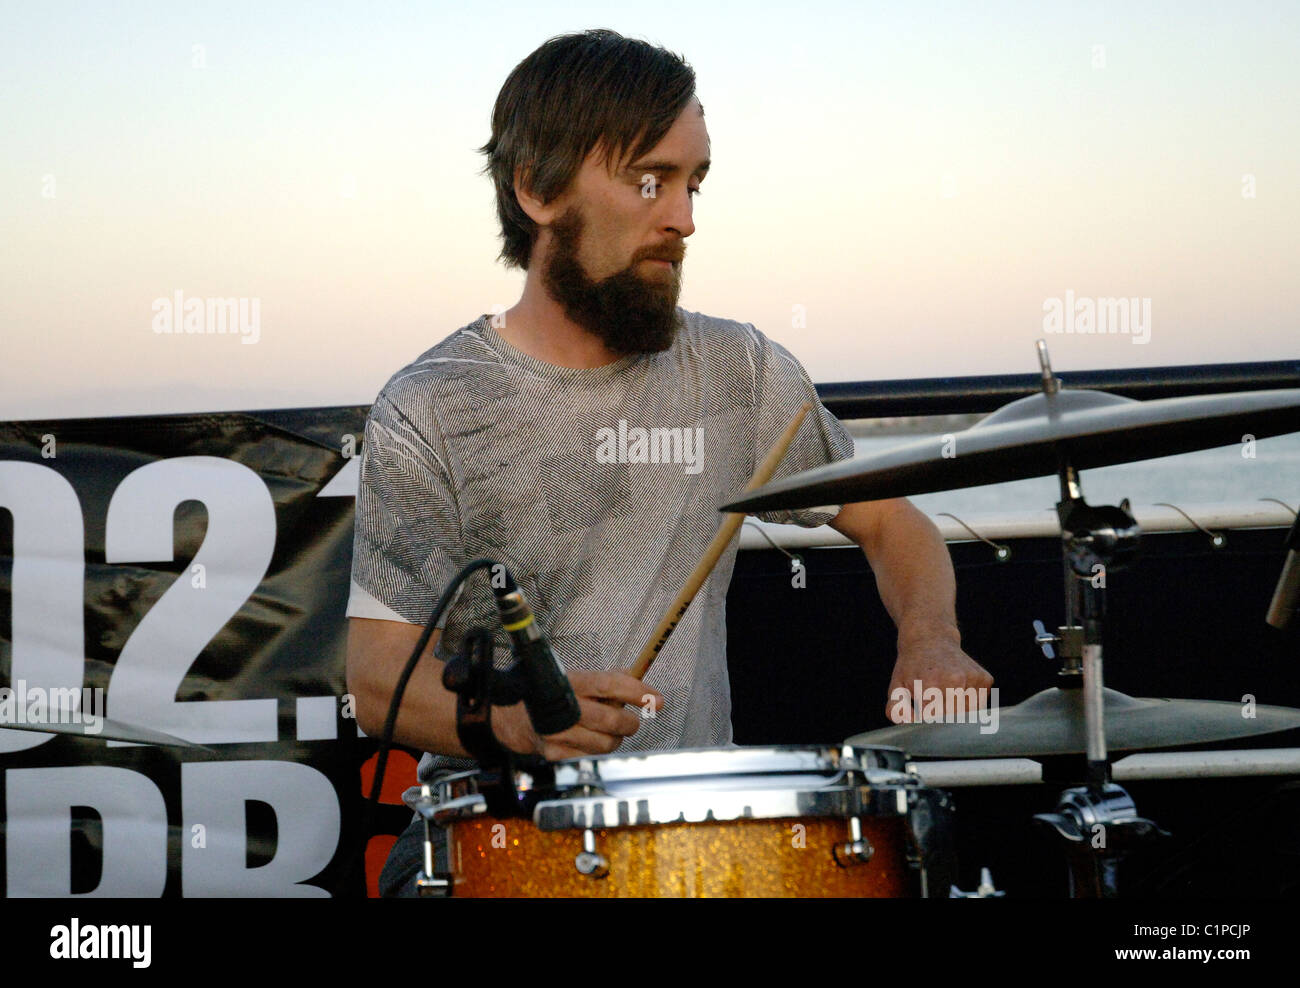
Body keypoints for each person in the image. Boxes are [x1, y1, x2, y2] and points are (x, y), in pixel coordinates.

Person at [345, 28, 993, 896]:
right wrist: (522, 722)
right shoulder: (430, 407)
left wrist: (930, 641)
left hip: (700, 848)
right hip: (503, 842)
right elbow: (377, 680)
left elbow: (891, 519)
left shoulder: (740, 374)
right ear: (536, 189)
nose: (684, 218)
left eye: (695, 182)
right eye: (652, 179)